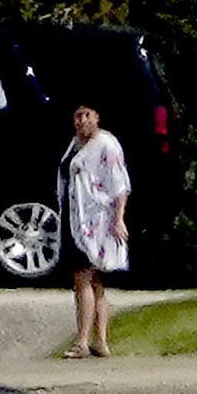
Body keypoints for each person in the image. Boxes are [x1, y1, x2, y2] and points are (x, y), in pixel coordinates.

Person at [57, 103, 132, 360]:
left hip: (97, 222)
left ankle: (83, 341)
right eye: (77, 116)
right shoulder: (76, 145)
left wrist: (119, 219)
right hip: (77, 218)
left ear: (97, 117)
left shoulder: (107, 145)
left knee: (85, 279)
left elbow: (119, 185)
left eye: (86, 115)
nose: (81, 121)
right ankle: (100, 340)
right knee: (94, 282)